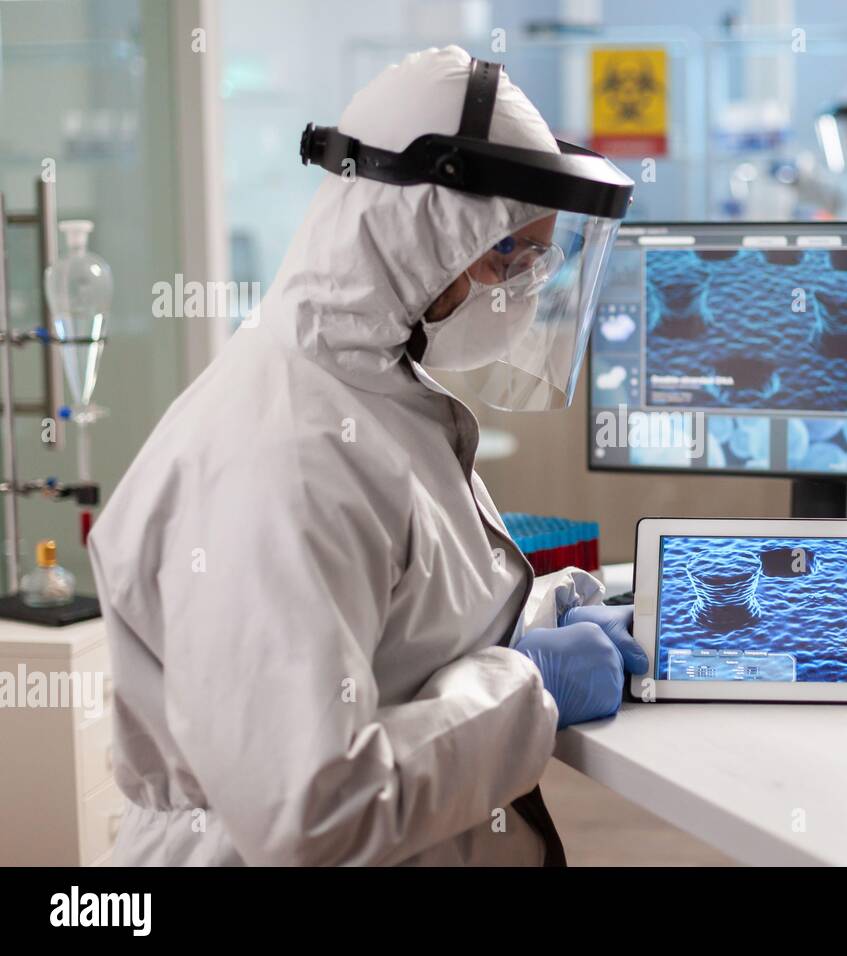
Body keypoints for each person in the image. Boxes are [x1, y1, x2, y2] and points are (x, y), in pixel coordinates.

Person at [87, 46, 640, 866]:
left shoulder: (370, 390)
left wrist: (539, 612)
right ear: (416, 231)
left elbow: (395, 641)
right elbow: (314, 811)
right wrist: (528, 689)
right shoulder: (282, 458)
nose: (521, 290)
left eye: (538, 261)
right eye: (506, 256)